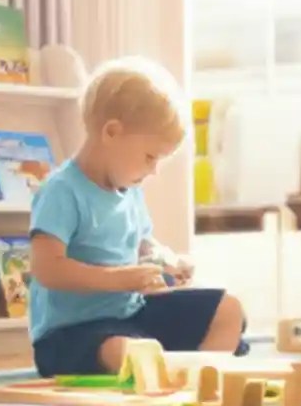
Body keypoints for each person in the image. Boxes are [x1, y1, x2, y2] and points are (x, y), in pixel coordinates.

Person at [27, 57, 247, 377]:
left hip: (132, 316)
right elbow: (46, 269)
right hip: (72, 333)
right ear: (112, 133)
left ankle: (200, 377)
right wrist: (117, 279)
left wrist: (167, 260)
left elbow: (142, 243)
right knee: (125, 349)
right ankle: (170, 369)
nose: (153, 170)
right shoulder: (61, 190)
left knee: (228, 309)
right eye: (149, 157)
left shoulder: (129, 191)